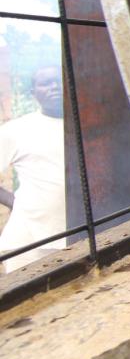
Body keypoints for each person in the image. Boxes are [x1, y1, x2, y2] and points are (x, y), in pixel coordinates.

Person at [0, 66, 67, 273]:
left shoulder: (86, 125)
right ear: (33, 93)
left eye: (59, 81)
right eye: (45, 83)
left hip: (79, 234)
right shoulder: (16, 130)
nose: (54, 87)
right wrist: (15, 203)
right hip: (30, 241)